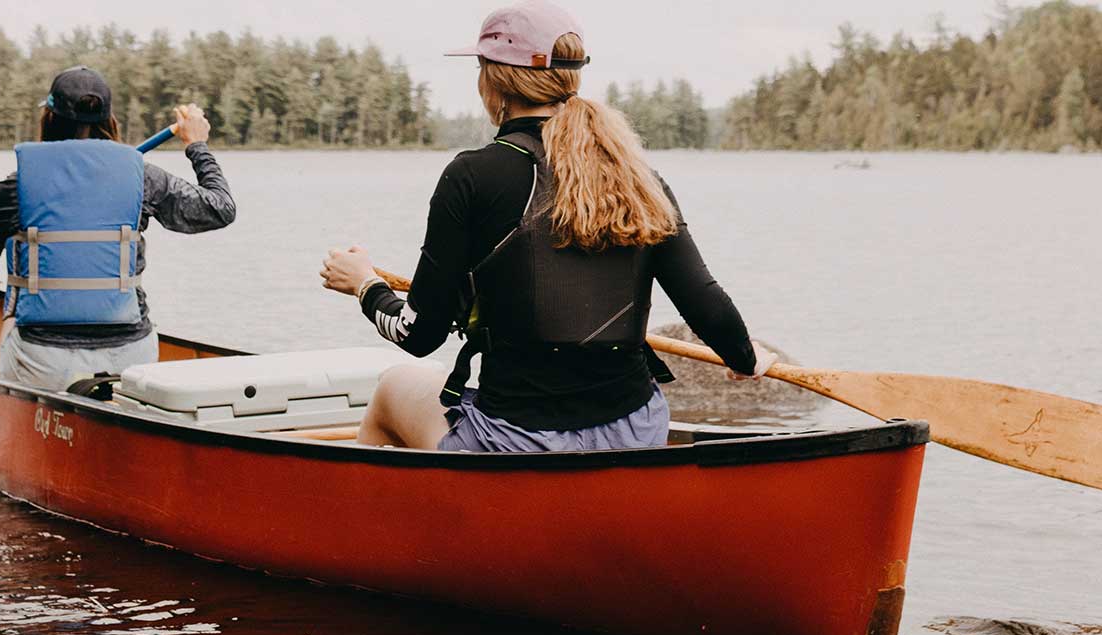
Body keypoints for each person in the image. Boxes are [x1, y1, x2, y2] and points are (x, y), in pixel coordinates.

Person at [318, 0, 775, 452]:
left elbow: (418, 337)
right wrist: (743, 357)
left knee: (390, 390)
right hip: (635, 432)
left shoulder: (472, 176)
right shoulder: (638, 177)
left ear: (493, 79)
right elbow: (705, 301)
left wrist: (366, 285)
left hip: (517, 441)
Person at [0, 66, 237, 390]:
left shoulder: (17, 185)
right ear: (109, 122)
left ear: (48, 119)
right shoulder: (143, 178)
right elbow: (221, 208)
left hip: (43, 360)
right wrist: (196, 145)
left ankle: (4, 384)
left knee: (13, 296)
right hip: (130, 356)